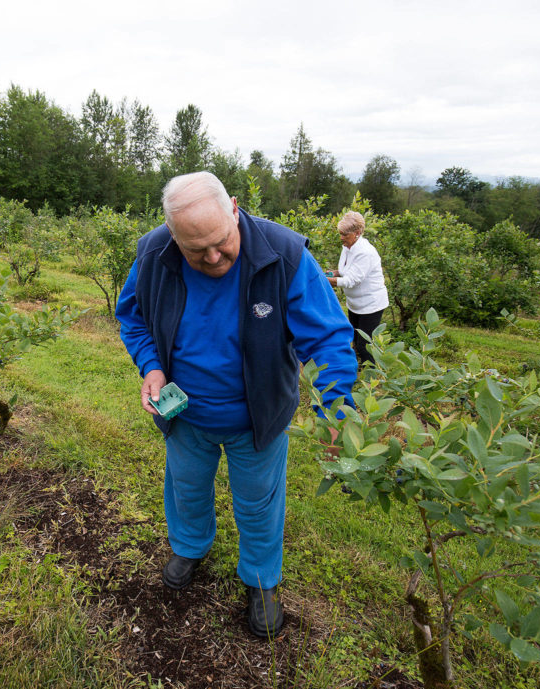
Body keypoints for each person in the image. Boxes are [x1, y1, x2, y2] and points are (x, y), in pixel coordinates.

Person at [115, 171, 357, 638]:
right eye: (196, 250)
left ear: (234, 209)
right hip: (184, 414)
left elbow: (329, 339)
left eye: (221, 242)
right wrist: (152, 367)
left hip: (258, 418)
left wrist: (336, 415)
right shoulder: (153, 253)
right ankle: (190, 547)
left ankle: (261, 580)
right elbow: (133, 317)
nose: (213, 257)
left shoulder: (283, 254)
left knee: (259, 504)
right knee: (186, 489)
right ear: (173, 236)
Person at [327, 211, 389, 366]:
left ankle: (372, 375)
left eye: (345, 234)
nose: (341, 237)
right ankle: (358, 369)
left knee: (364, 345)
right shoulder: (347, 247)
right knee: (354, 339)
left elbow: (351, 280)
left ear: (357, 233)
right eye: (340, 233)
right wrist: (332, 273)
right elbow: (346, 271)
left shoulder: (365, 252)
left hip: (371, 305)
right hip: (355, 303)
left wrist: (324, 280)